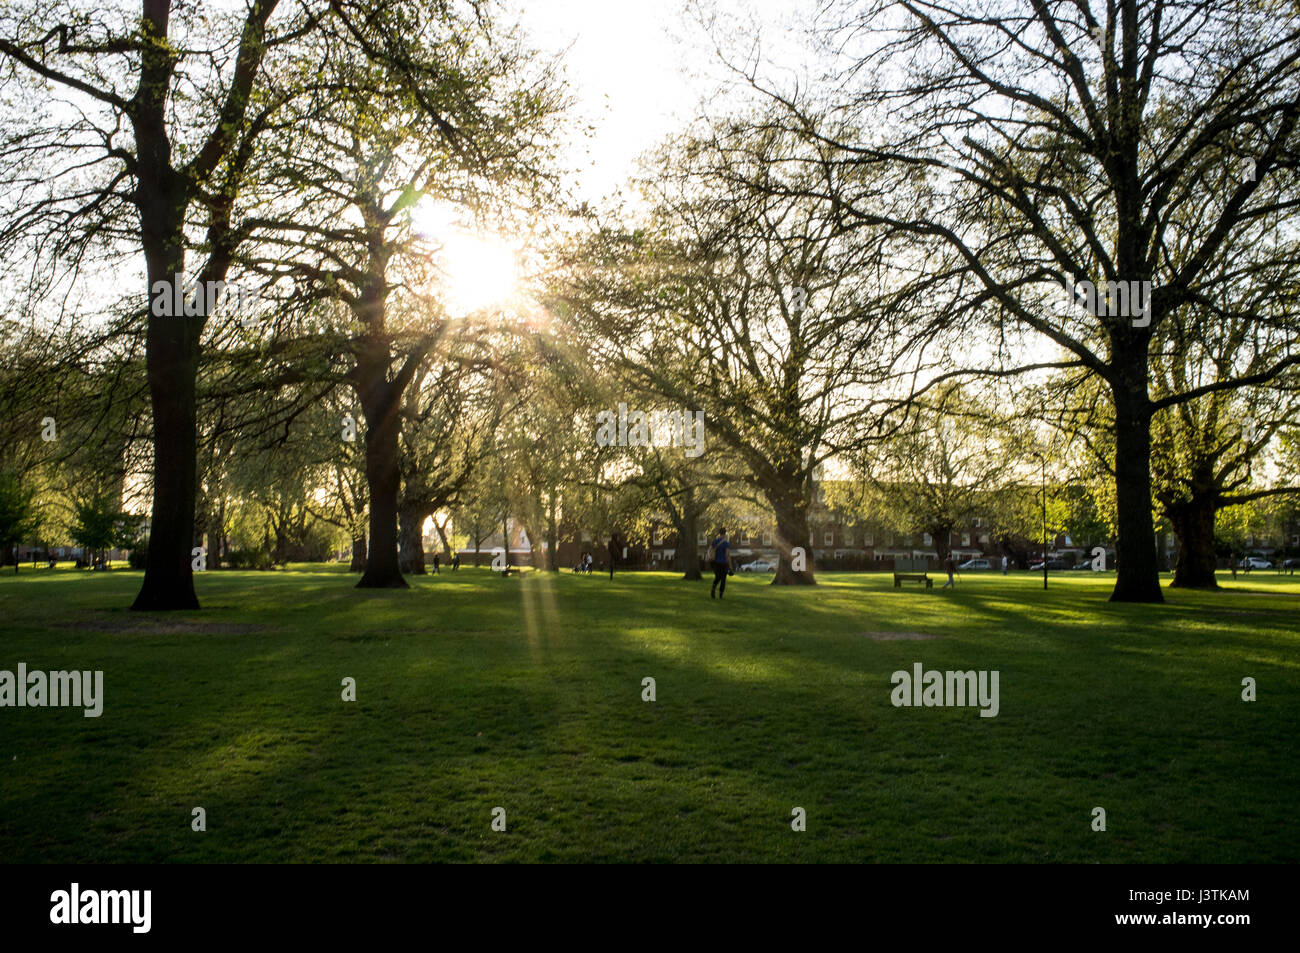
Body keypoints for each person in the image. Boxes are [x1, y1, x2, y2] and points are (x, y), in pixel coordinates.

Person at [709, 528, 732, 599]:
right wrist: (730, 566)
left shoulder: (714, 541)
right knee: (723, 579)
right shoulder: (726, 543)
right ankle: (720, 595)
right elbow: (727, 555)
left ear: (719, 533)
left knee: (717, 577)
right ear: (725, 534)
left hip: (716, 562)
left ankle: (713, 587)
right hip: (723, 563)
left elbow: (710, 550)